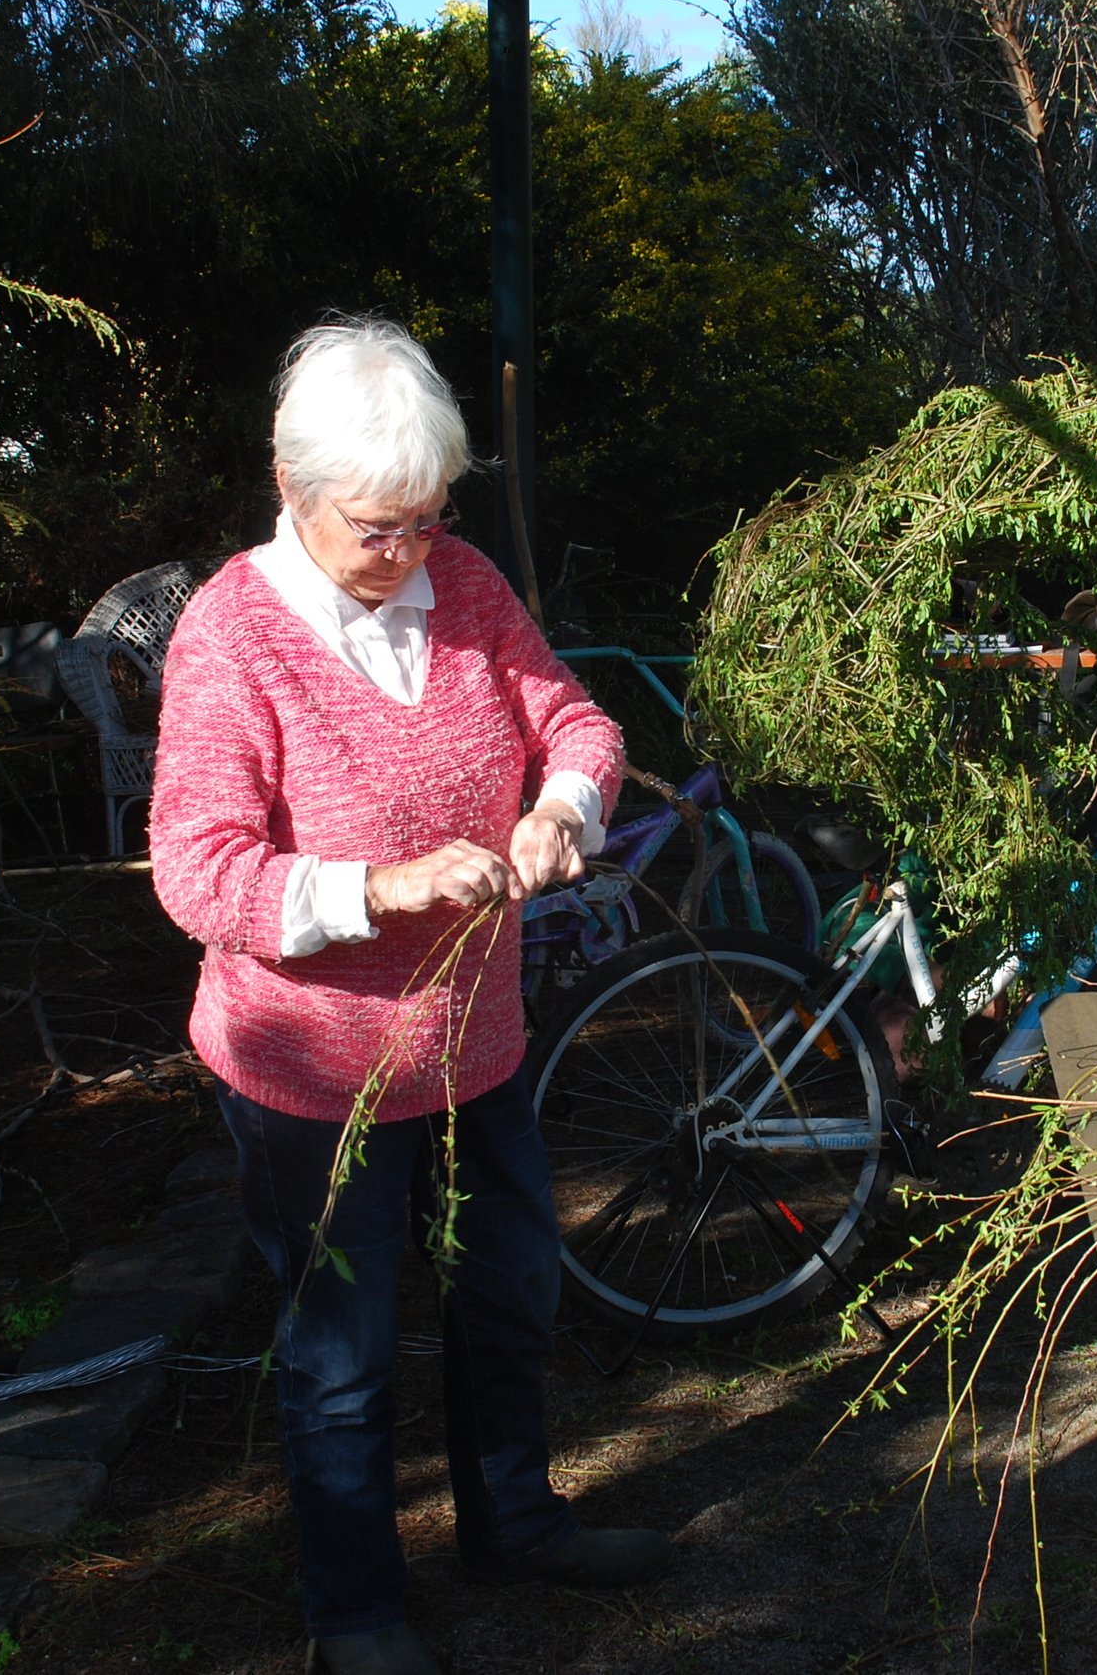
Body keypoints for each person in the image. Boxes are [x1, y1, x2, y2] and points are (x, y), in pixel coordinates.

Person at [150, 318, 669, 1675]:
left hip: (475, 1045)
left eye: (430, 521)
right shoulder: (230, 635)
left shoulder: (468, 587)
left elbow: (581, 725)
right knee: (342, 1353)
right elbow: (200, 875)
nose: (408, 554)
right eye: (380, 528)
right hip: (312, 1074)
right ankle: (357, 1611)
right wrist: (380, 890)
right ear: (290, 484)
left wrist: (565, 805)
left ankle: (514, 1523)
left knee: (511, 1293)